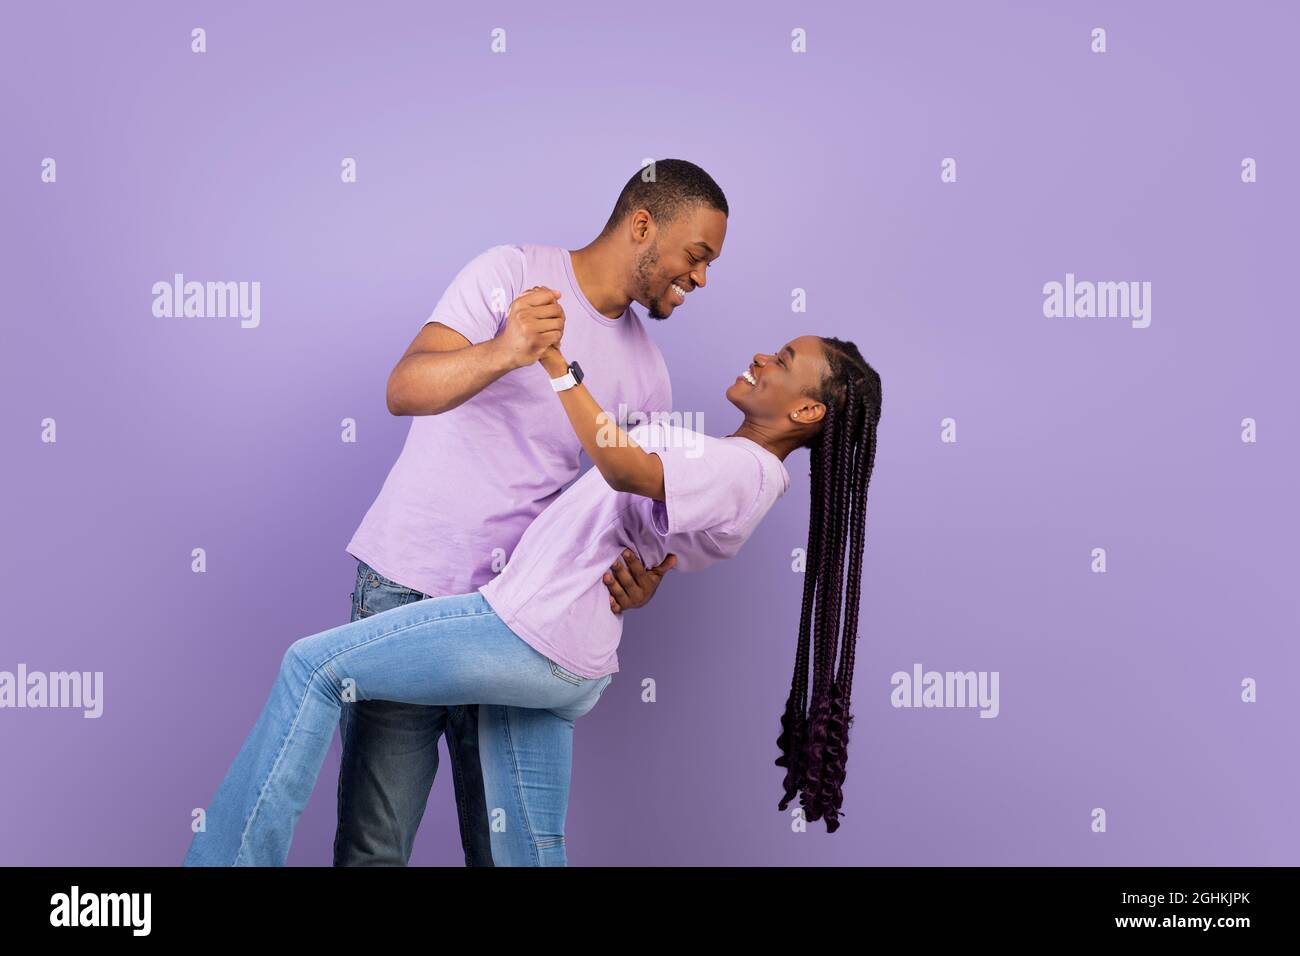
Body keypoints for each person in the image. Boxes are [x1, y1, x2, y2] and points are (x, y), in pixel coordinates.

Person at [183, 332, 882, 866]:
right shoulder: (730, 466)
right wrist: (648, 571)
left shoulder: (745, 471)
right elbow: (648, 528)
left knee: (313, 667)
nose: (763, 355)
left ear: (807, 409)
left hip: (526, 635)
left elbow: (621, 464)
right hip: (564, 657)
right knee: (527, 850)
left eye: (785, 359)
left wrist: (558, 366)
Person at [336, 159, 728, 865]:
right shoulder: (511, 273)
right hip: (406, 589)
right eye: (695, 256)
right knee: (375, 846)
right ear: (644, 225)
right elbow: (404, 387)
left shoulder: (649, 376)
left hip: (515, 624)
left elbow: (627, 516)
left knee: (505, 852)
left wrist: (641, 579)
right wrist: (505, 349)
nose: (700, 278)